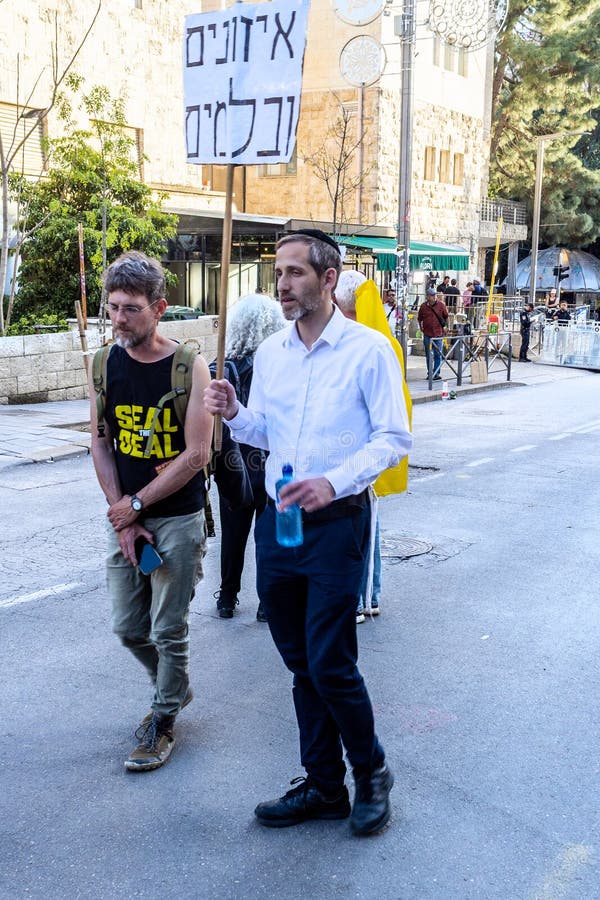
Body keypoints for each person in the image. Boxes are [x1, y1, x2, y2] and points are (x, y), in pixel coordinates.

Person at [204, 229, 412, 837]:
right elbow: (265, 432)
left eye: (295, 272)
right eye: (279, 272)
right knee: (300, 661)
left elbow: (394, 438)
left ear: (328, 278)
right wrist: (234, 412)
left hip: (337, 524)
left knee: (329, 661)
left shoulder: (369, 350)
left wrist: (335, 482)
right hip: (280, 524)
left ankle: (371, 772)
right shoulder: (272, 353)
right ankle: (324, 785)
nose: (283, 283)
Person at [89, 251, 213, 772]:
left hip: (178, 517)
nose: (119, 318)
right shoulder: (103, 363)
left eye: (131, 309)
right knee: (127, 626)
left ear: (159, 309)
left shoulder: (189, 367)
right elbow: (100, 442)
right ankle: (174, 685)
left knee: (167, 629)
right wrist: (124, 514)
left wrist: (139, 504)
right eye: (113, 306)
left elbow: (197, 455)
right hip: (129, 516)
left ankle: (162, 720)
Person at [333, 271, 413, 624]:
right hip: (361, 452)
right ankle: (368, 594)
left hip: (361, 452)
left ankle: (363, 597)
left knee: (361, 527)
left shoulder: (369, 344)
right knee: (366, 525)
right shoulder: (381, 339)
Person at [211, 293, 286, 621]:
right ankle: (266, 602)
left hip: (232, 461)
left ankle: (227, 597)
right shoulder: (277, 365)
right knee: (267, 538)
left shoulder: (221, 366)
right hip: (267, 459)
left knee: (233, 533)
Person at [417, 287, 449, 381]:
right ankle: (430, 372)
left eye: (435, 295)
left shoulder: (441, 305)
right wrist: (421, 328)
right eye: (432, 295)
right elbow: (419, 318)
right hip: (427, 333)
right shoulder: (423, 306)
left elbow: (446, 316)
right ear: (427, 296)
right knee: (428, 354)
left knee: (437, 354)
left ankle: (436, 373)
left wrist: (447, 327)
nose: (434, 297)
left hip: (438, 333)